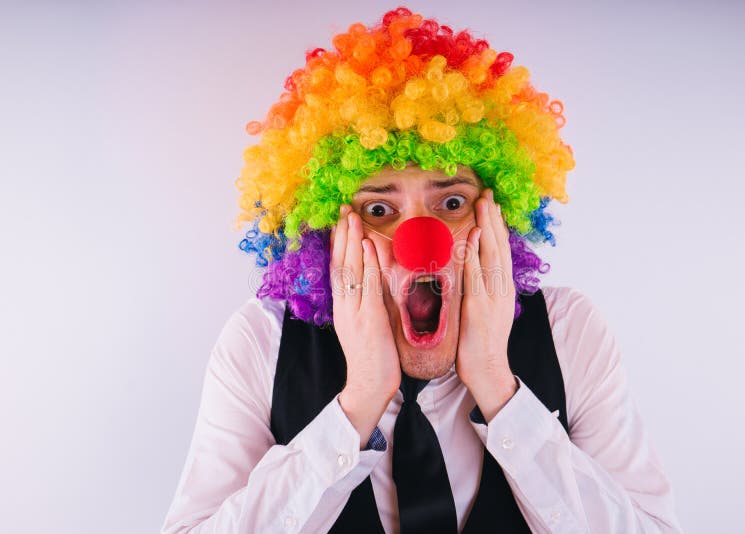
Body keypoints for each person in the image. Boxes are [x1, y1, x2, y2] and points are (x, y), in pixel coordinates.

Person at [161, 7, 683, 533]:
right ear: (326, 232)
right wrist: (358, 404)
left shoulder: (569, 332)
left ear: (497, 216)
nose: (420, 245)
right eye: (378, 210)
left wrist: (499, 389)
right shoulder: (262, 344)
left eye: (452, 203)